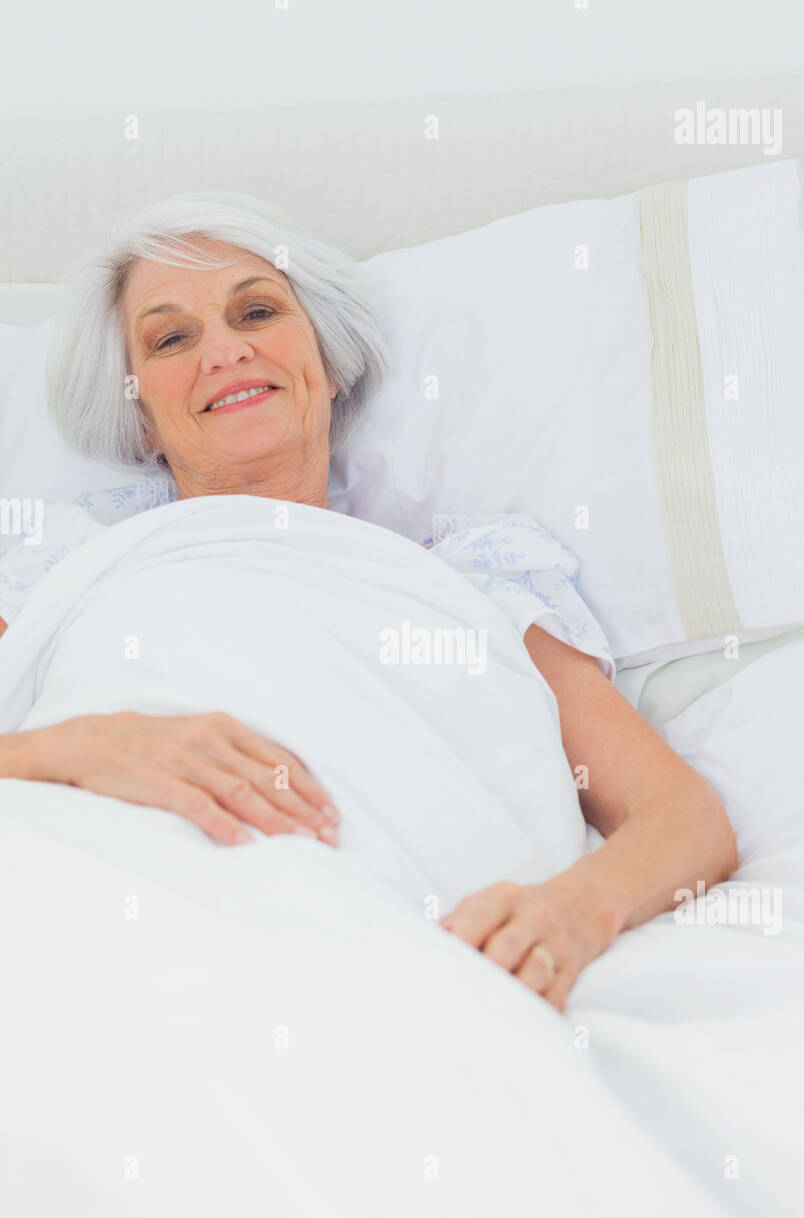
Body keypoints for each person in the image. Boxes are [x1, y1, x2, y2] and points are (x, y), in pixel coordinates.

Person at [0, 192, 737, 1011]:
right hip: (86, 903)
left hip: (390, 945)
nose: (224, 351)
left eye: (257, 310)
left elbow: (681, 819)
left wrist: (573, 911)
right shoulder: (59, 561)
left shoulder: (473, 579)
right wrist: (63, 750)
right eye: (172, 336)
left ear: (329, 360)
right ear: (137, 415)